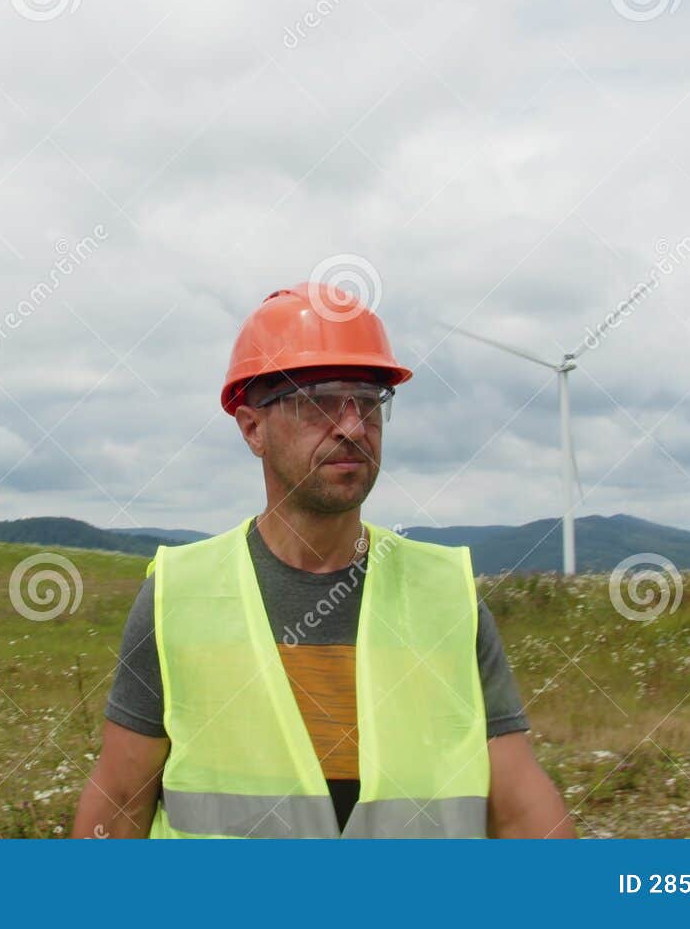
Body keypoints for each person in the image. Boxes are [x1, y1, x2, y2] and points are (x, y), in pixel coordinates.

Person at [71, 282, 574, 838]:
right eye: (318, 401)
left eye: (369, 401)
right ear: (252, 427)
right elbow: (119, 800)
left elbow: (522, 806)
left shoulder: (448, 596)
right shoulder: (177, 597)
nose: (354, 427)